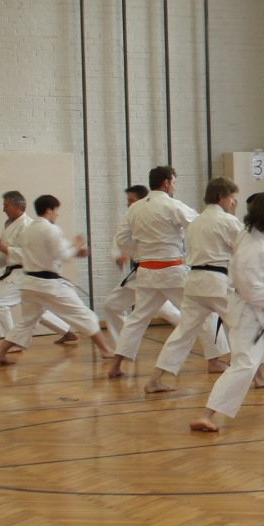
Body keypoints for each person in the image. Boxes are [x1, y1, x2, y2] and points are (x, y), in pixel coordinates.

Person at [192, 192, 264, 433]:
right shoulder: (252, 248)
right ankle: (207, 414)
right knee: (245, 365)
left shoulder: (258, 235)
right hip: (248, 314)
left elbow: (261, 248)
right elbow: (250, 290)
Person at [107, 165, 216, 380]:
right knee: (201, 310)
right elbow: (199, 226)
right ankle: (214, 360)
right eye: (174, 181)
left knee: (137, 319)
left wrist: (138, 253)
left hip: (146, 271)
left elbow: (121, 239)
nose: (174, 185)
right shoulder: (173, 205)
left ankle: (116, 365)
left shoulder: (135, 208)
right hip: (172, 270)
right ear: (166, 182)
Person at [146, 177, 242, 393]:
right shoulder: (228, 221)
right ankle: (260, 374)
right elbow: (243, 249)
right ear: (221, 197)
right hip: (217, 281)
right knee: (243, 324)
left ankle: (155, 379)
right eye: (232, 199)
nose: (234, 203)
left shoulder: (196, 221)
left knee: (183, 333)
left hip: (195, 282)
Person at [0, 196, 114, 363]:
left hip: (29, 284)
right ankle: (106, 350)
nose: (57, 214)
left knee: (27, 322)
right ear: (49, 210)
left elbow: (32, 253)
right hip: (49, 284)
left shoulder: (29, 229)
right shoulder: (50, 229)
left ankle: (0, 352)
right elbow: (62, 255)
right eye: (56, 210)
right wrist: (77, 244)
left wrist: (76, 251)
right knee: (84, 314)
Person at [0, 190, 77, 348]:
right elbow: (11, 254)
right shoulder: (9, 225)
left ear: (18, 206)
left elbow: (28, 254)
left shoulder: (27, 226)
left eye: (6, 205)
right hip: (18, 272)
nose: (3, 209)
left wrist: (2, 247)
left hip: (24, 273)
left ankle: (11, 342)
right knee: (36, 308)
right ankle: (68, 333)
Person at [98, 184, 183, 343]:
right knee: (112, 305)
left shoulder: (153, 216)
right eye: (128, 200)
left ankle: (195, 333)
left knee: (171, 312)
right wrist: (119, 256)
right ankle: (123, 345)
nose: (128, 203)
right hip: (143, 274)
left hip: (159, 271)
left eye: (131, 200)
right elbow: (119, 242)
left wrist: (132, 252)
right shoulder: (131, 216)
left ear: (142, 200)